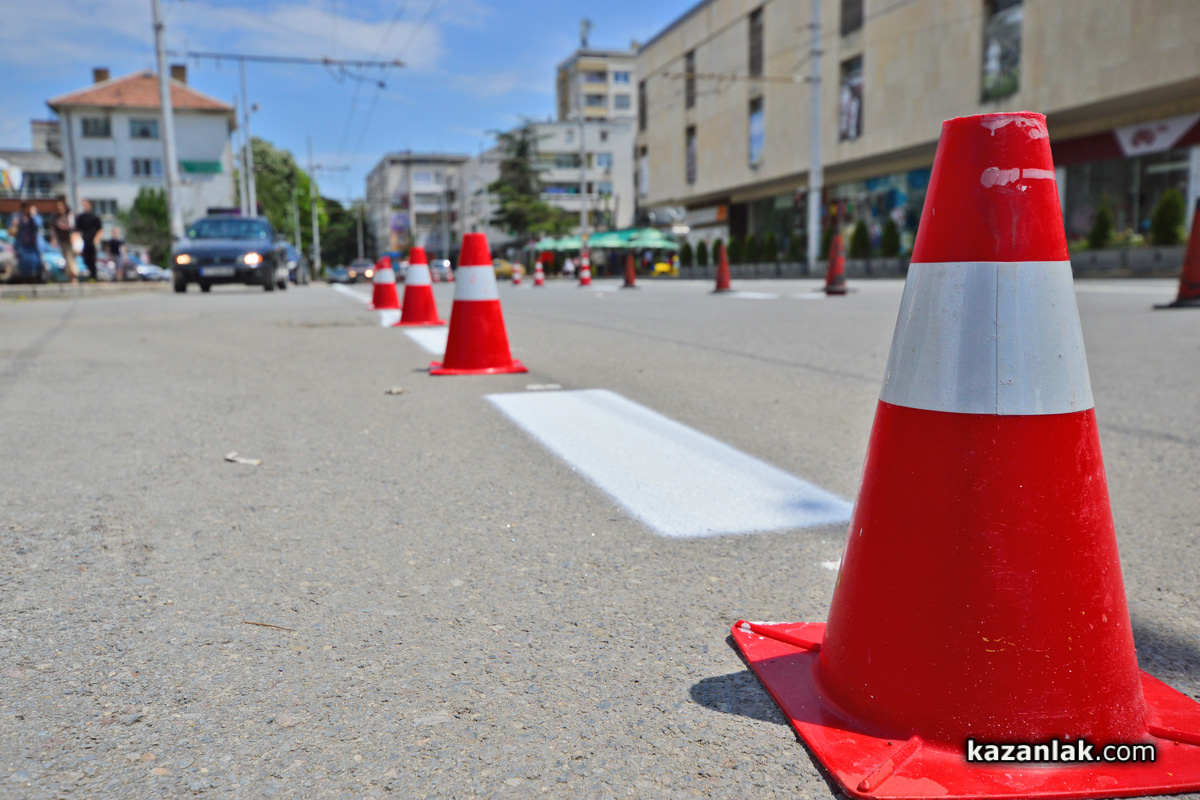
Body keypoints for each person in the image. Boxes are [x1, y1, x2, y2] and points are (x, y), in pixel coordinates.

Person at [8, 202, 44, 283]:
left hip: (34, 246)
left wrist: (33, 215)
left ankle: (36, 279)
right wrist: (14, 224)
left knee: (35, 263)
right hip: (22, 245)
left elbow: (39, 224)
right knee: (23, 264)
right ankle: (25, 279)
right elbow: (10, 232)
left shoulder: (35, 217)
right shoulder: (17, 217)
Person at [75, 199, 103, 281]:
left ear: (90, 206)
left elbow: (100, 229)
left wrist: (97, 239)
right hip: (84, 241)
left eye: (86, 205)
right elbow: (77, 230)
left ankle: (94, 276)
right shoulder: (81, 217)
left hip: (92, 241)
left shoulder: (95, 217)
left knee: (92, 258)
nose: (85, 207)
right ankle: (91, 274)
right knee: (85, 258)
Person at [53, 200, 79, 283]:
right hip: (62, 240)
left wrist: (74, 236)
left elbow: (75, 228)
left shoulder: (70, 216)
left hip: (71, 240)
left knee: (70, 257)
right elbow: (54, 229)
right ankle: (70, 277)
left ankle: (74, 275)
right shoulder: (56, 218)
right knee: (67, 258)